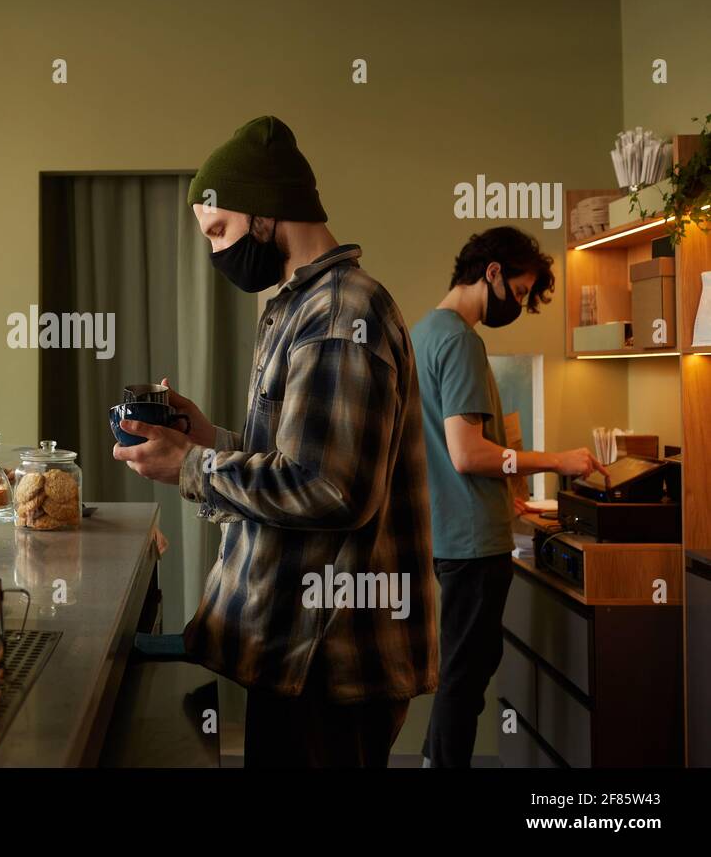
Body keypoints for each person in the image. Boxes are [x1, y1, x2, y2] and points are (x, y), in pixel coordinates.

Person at [113, 115, 437, 767]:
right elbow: (299, 462)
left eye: (219, 231)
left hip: (328, 657)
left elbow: (331, 489)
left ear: (266, 211)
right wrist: (210, 438)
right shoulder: (298, 305)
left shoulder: (343, 311)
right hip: (298, 652)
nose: (215, 254)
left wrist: (194, 467)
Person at [413, 227, 605, 767]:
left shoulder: (424, 332)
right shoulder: (460, 341)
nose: (518, 305)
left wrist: (507, 493)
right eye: (519, 292)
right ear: (491, 271)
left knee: (461, 671)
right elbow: (467, 454)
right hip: (473, 542)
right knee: (465, 678)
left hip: (450, 532)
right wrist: (558, 461)